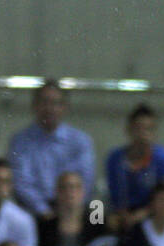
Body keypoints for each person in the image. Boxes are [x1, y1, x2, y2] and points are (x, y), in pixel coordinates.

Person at [8, 80, 97, 219]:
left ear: (65, 107)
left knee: (98, 215)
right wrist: (43, 210)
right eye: (44, 102)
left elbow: (86, 181)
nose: (50, 108)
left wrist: (67, 210)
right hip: (33, 211)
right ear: (34, 106)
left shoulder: (80, 141)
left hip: (73, 210)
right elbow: (21, 183)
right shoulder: (20, 141)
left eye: (56, 103)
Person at [105, 104, 164, 226]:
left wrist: (145, 213)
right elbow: (107, 193)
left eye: (149, 129)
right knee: (96, 218)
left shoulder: (162, 159)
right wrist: (115, 215)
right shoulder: (115, 159)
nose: (143, 134)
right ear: (128, 130)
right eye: (138, 128)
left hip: (151, 216)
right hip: (119, 216)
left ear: (155, 132)